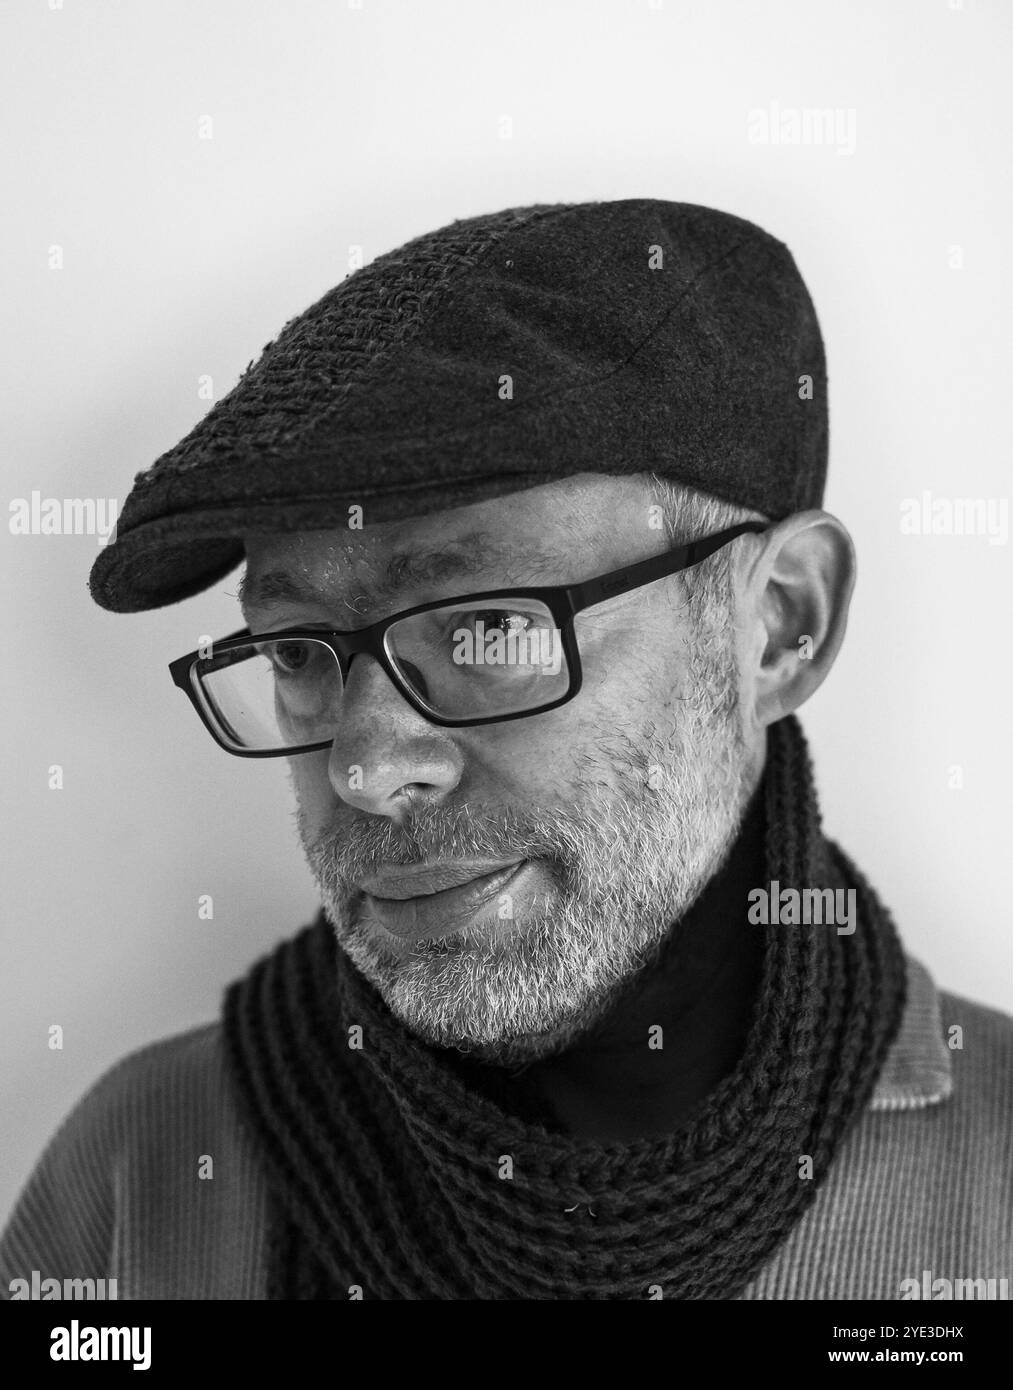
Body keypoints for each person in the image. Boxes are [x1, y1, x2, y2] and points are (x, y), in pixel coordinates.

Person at [3, 199, 1010, 1301]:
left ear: (777, 625)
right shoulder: (134, 1180)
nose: (367, 769)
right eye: (299, 653)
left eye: (489, 628)